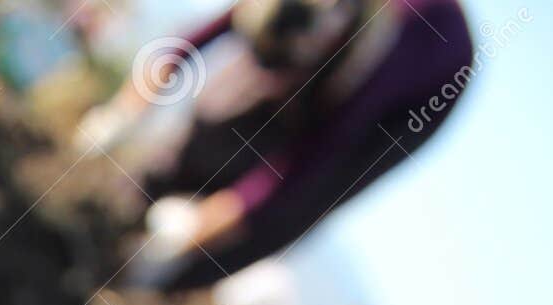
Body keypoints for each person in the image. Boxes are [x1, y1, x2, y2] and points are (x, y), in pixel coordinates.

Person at [81, 0, 474, 290]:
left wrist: (192, 233)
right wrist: (123, 111)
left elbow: (304, 171)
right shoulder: (275, 18)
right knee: (209, 123)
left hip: (340, 153)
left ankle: (143, 289)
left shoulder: (417, 51)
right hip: (296, 75)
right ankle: (117, 216)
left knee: (210, 254)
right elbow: (191, 40)